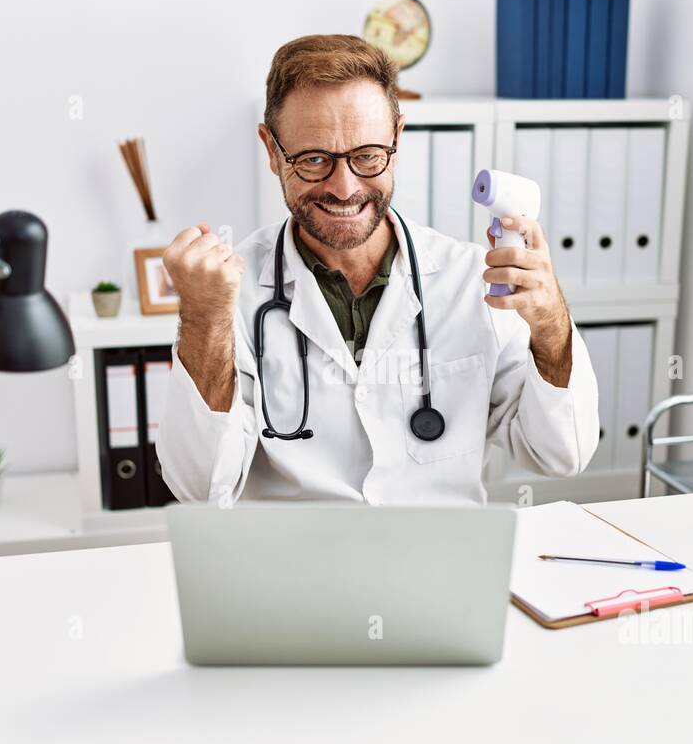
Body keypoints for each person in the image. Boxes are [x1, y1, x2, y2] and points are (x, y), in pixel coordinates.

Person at [157, 34, 598, 505]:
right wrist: (204, 319)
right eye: (313, 160)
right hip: (295, 570)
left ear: (397, 139)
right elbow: (202, 489)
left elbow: (562, 454)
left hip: (438, 564)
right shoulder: (232, 298)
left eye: (367, 155)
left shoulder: (473, 280)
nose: (344, 188)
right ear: (271, 149)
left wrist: (550, 325)